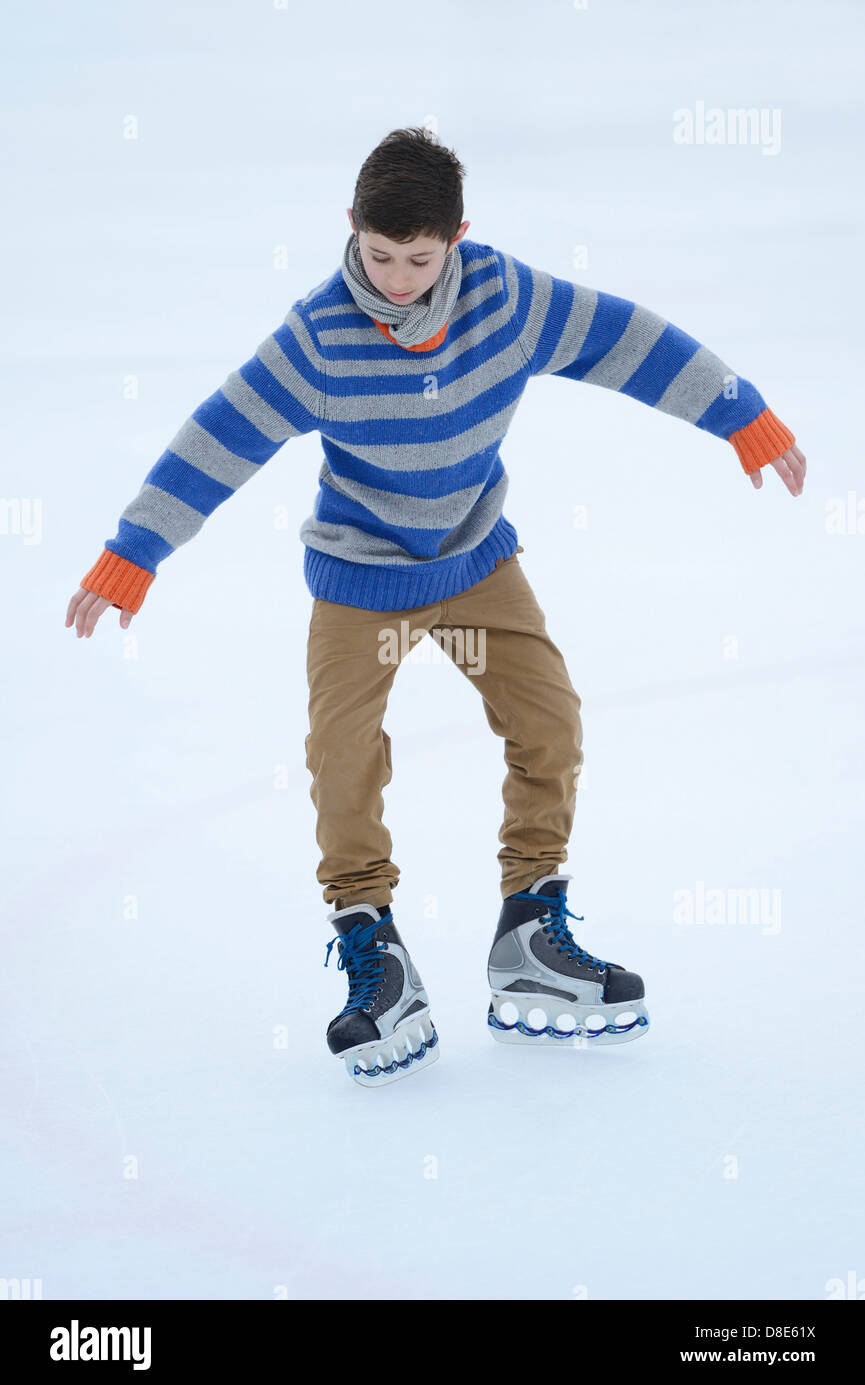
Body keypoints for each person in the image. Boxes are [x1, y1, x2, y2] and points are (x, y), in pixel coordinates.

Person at [66, 126, 806, 1089]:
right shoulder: (318, 336)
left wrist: (736, 411)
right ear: (351, 231)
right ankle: (372, 947)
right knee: (341, 758)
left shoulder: (509, 300)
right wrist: (134, 552)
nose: (400, 279)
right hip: (360, 577)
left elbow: (627, 339)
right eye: (380, 256)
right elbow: (222, 436)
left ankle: (530, 927)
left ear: (459, 236)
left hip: (472, 565)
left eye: (421, 258)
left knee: (549, 720)